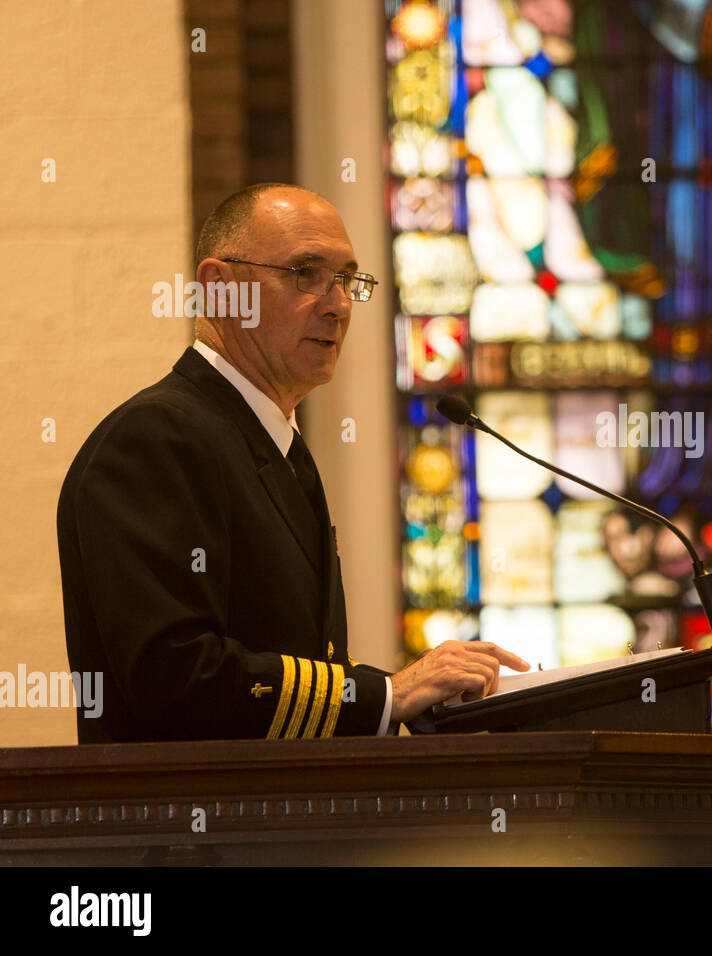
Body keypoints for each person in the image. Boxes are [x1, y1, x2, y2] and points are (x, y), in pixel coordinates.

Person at [56, 183, 527, 743]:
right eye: (306, 273)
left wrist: (416, 699)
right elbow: (173, 676)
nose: (338, 304)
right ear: (220, 289)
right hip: (189, 825)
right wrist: (387, 695)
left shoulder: (273, 444)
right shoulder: (156, 439)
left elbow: (299, 668)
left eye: (348, 279)